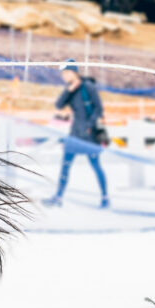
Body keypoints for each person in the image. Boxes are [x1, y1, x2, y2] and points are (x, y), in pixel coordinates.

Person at [45, 59, 109, 208]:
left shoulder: (88, 86)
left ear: (74, 72)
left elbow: (99, 109)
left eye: (66, 73)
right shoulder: (70, 88)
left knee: (95, 165)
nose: (64, 76)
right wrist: (70, 90)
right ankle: (58, 197)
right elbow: (59, 105)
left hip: (89, 134)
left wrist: (89, 125)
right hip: (74, 134)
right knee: (65, 165)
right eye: (63, 74)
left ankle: (105, 197)